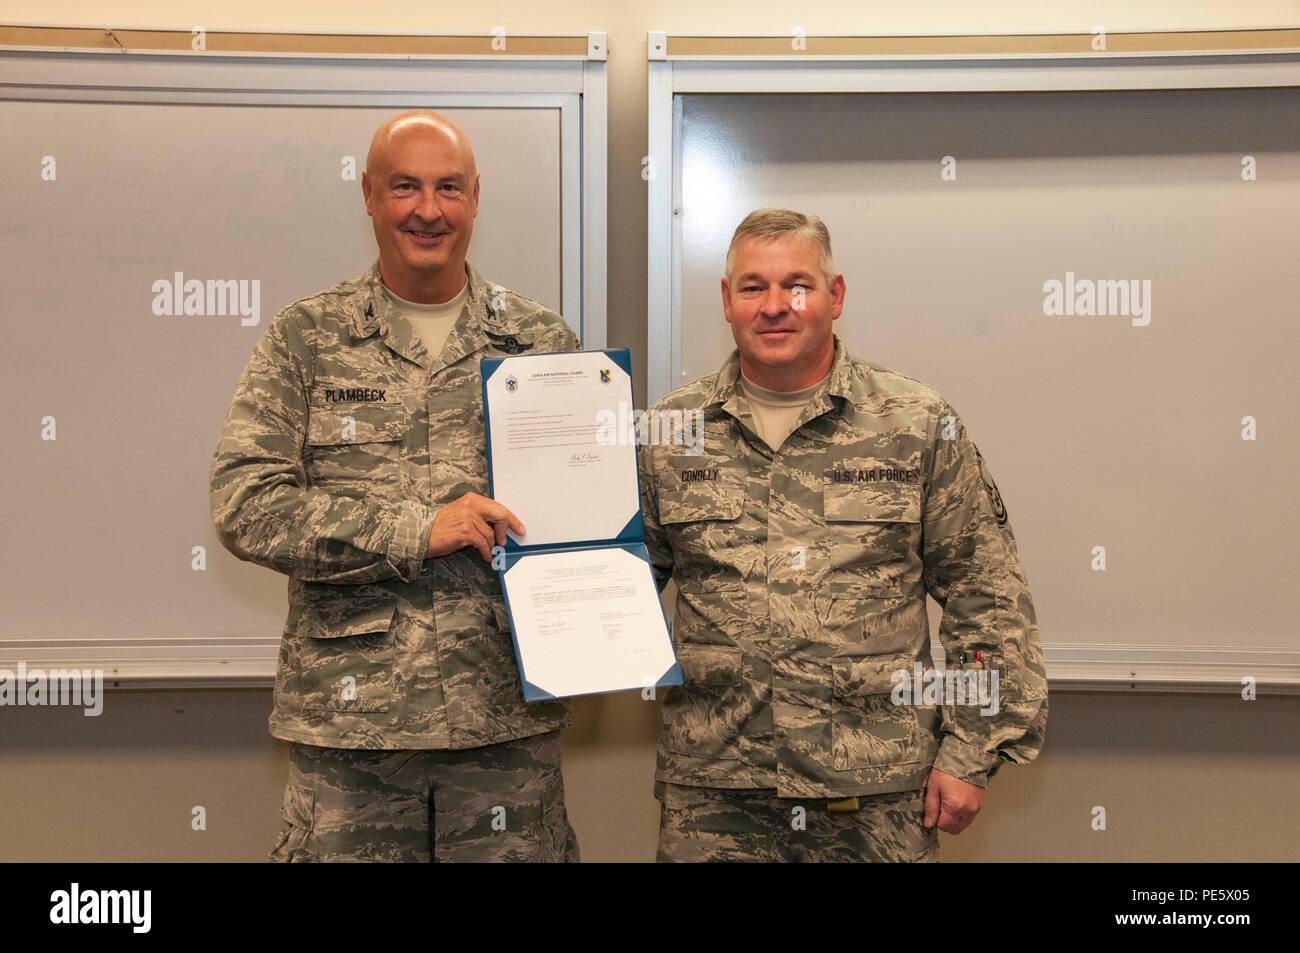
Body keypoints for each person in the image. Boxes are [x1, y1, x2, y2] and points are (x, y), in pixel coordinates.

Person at [210, 110, 580, 862]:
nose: (428, 209)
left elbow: (583, 517)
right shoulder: (305, 338)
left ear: (476, 197)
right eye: (404, 186)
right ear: (371, 197)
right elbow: (246, 505)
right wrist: (416, 529)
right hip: (353, 741)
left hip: (502, 727)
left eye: (448, 187)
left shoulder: (543, 343)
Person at [637, 208, 1048, 862]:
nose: (776, 306)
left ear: (836, 296)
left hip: (877, 796)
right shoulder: (668, 434)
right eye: (753, 287)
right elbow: (616, 580)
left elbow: (987, 597)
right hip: (717, 797)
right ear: (726, 300)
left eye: (797, 285)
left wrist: (971, 751)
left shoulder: (915, 424)